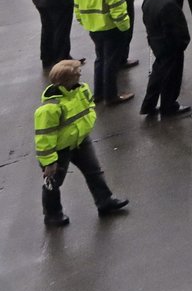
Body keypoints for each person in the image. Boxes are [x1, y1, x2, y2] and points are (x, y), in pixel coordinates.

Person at [35, 60, 130, 227]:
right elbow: (44, 138)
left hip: (80, 140)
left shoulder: (81, 89)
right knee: (53, 181)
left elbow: (89, 106)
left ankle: (104, 201)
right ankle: (52, 214)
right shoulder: (50, 109)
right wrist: (49, 163)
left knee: (94, 171)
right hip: (61, 149)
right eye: (76, 72)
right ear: (65, 80)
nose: (79, 74)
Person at [74, 0, 134, 106]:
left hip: (94, 30)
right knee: (111, 64)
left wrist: (89, 24)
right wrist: (125, 29)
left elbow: (78, 13)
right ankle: (111, 96)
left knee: (100, 60)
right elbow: (119, 14)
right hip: (112, 31)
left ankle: (99, 94)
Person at [138, 0, 191, 117]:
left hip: (156, 43)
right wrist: (182, 44)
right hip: (170, 47)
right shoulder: (168, 4)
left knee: (158, 73)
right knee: (172, 77)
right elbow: (175, 29)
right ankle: (169, 106)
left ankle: (148, 105)